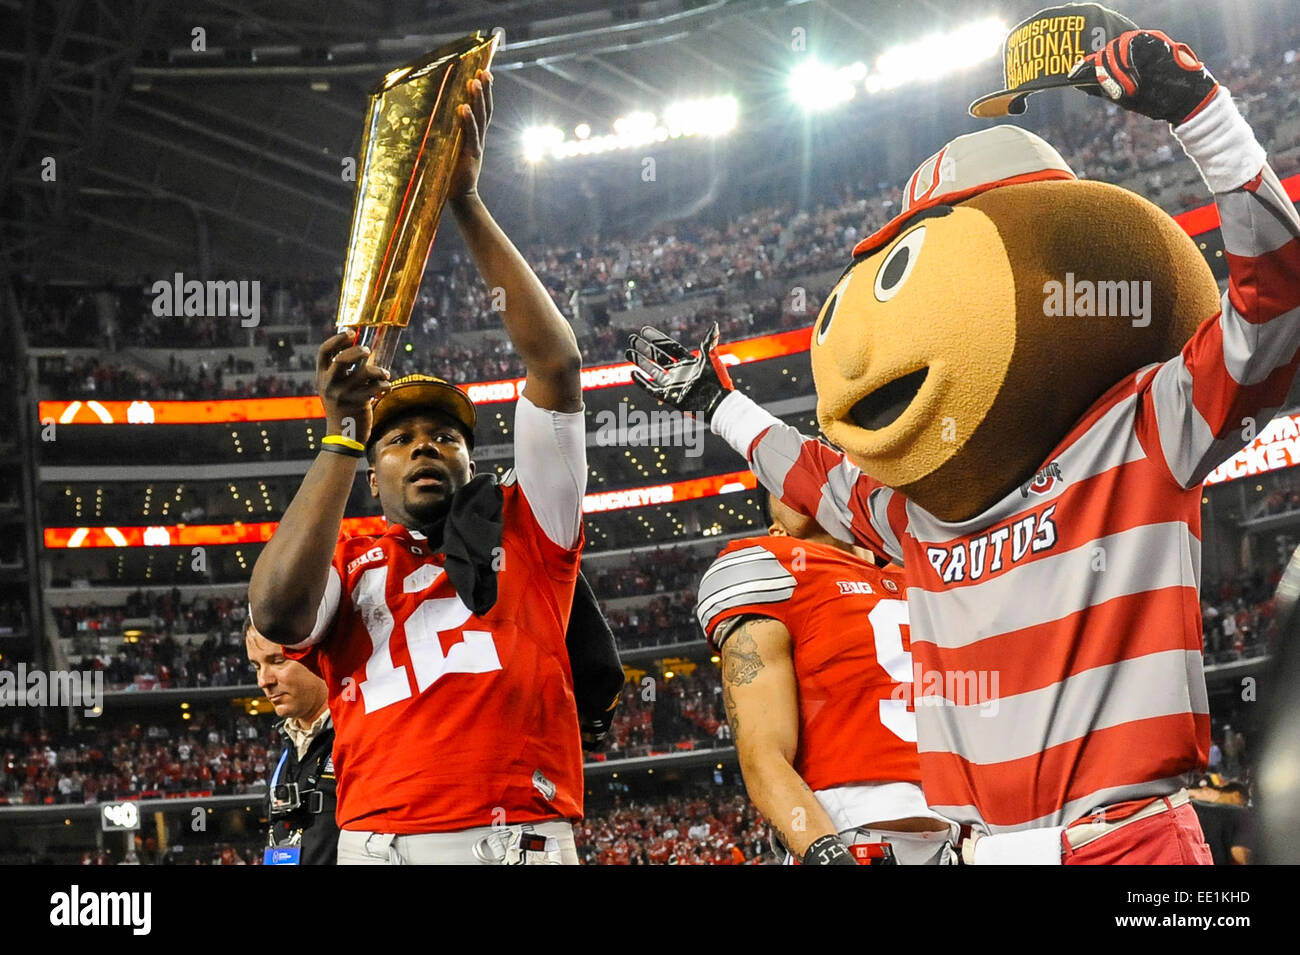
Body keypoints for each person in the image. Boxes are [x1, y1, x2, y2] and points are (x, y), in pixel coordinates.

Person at [248, 68, 590, 865]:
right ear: (372, 478)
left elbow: (559, 367)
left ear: (472, 456)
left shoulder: (530, 523)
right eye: (397, 440)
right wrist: (340, 433)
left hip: (515, 841)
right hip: (377, 846)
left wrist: (464, 202)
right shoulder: (347, 557)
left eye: (444, 433)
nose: (425, 445)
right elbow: (276, 613)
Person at [696, 490, 958, 865]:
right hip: (852, 836)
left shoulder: (927, 574)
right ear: (778, 531)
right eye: (779, 478)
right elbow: (763, 754)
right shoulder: (777, 569)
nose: (797, 477)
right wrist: (826, 853)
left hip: (958, 840)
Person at [245, 620, 338, 865]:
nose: (263, 680)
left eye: (277, 661)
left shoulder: (357, 737)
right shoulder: (289, 746)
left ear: (318, 654)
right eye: (256, 666)